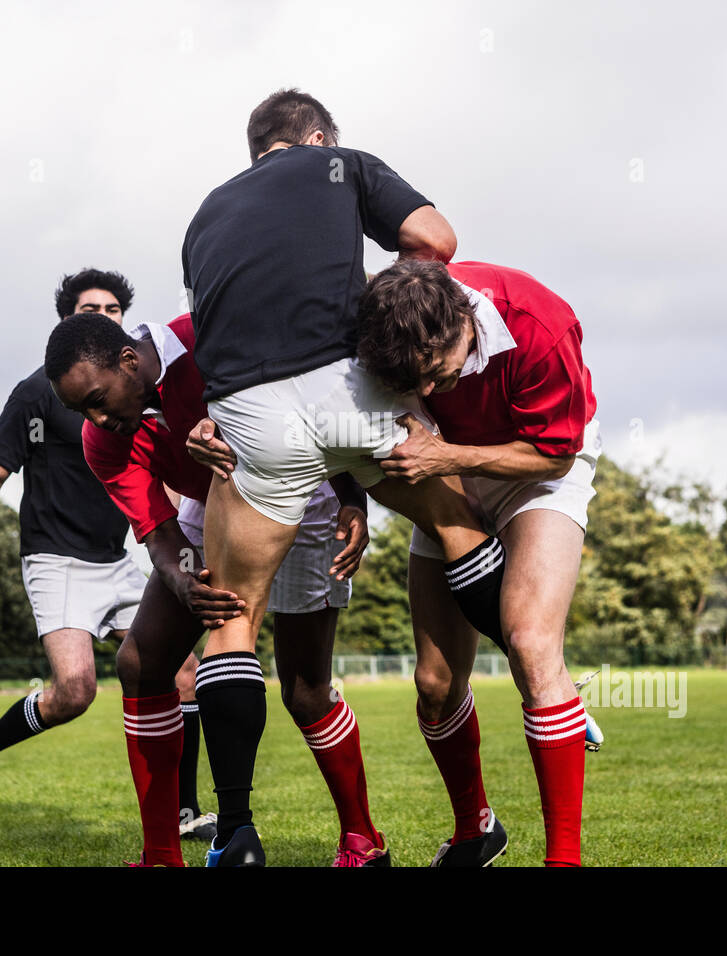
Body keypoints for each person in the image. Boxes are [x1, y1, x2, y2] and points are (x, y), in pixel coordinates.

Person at [178, 89, 512, 863]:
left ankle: (236, 835)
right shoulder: (343, 164)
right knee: (458, 527)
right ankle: (549, 685)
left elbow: (213, 322)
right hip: (351, 389)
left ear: (256, 150)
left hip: (252, 418)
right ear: (320, 136)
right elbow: (437, 239)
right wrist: (391, 312)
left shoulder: (203, 214)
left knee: (231, 623)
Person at [46, 311, 389, 867]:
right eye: (81, 409)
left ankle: (362, 841)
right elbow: (157, 532)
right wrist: (184, 582)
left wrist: (352, 495)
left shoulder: (208, 333)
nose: (96, 417)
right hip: (207, 507)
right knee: (141, 663)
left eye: (97, 397)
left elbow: (314, 396)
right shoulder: (102, 440)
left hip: (302, 492)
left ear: (130, 361)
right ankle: (161, 853)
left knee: (305, 690)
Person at [0, 269, 213, 841]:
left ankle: (184, 812)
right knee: (76, 691)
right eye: (88, 310)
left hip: (119, 559)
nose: (101, 317)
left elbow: (160, 478)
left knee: (184, 672)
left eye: (111, 311)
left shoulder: (141, 387)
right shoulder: (38, 393)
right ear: (66, 322)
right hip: (56, 560)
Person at [357, 258, 602, 867]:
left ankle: (563, 860)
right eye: (419, 382)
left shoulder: (540, 324)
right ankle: (476, 830)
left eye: (438, 373)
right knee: (434, 685)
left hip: (534, 470)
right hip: (443, 467)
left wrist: (445, 456)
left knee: (529, 641)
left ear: (462, 322)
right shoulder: (383, 322)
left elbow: (555, 457)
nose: (433, 391)